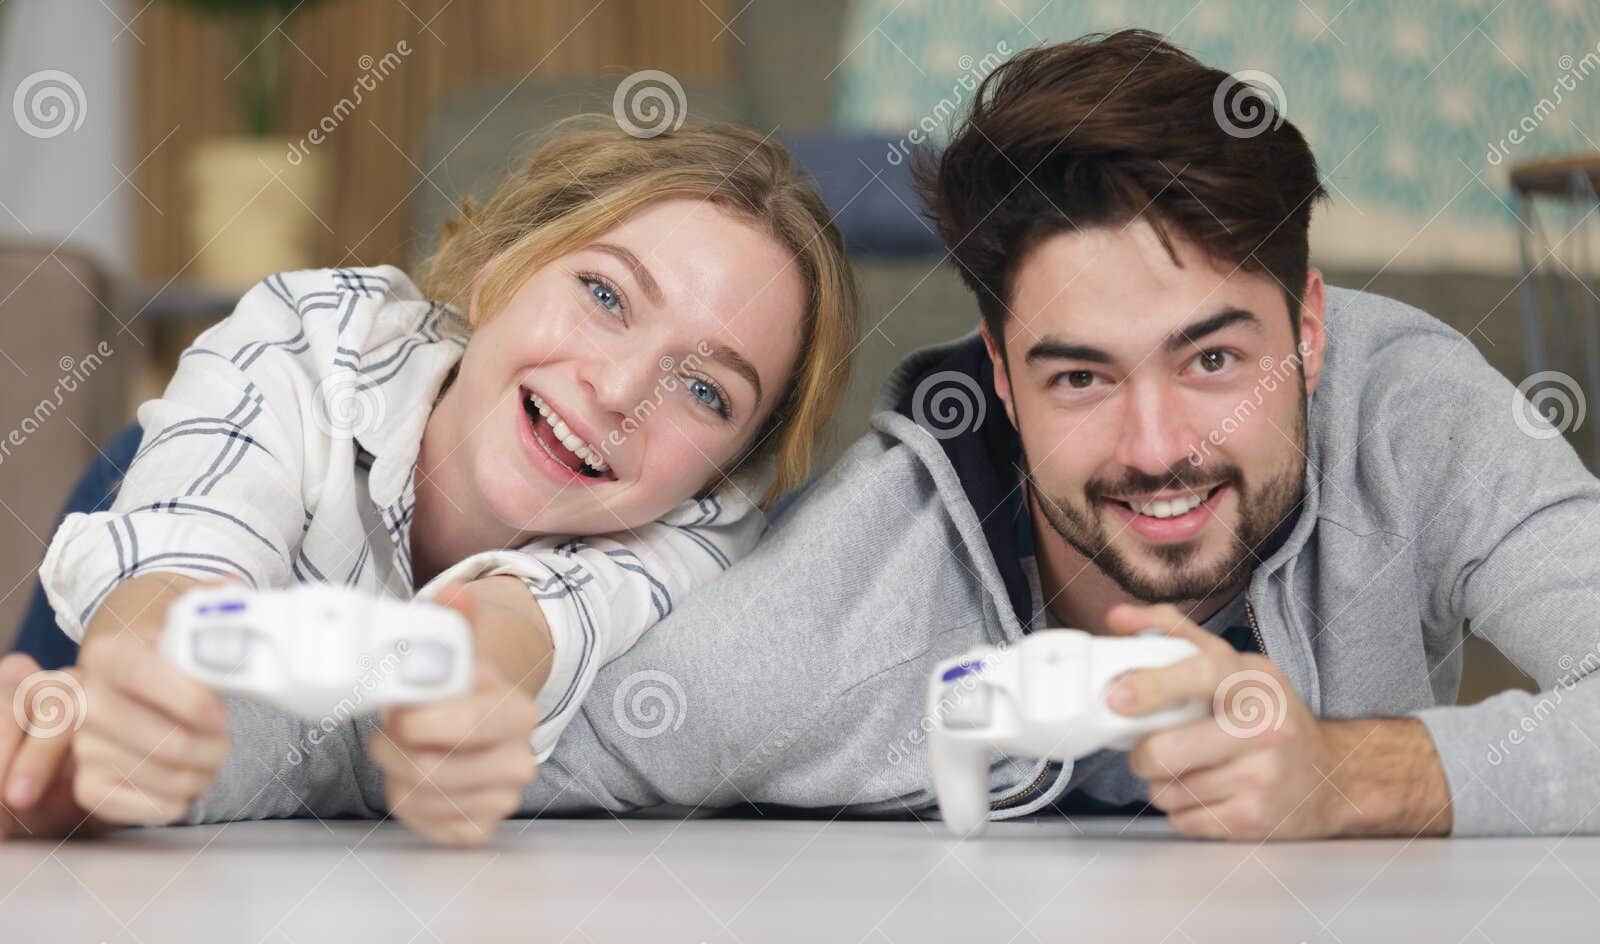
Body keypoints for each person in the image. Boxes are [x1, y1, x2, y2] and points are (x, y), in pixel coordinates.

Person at [511, 29, 1600, 840]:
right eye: (1081, 375)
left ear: (1309, 331)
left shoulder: (1411, 411)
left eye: (1212, 360)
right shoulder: (828, 606)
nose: (1156, 446)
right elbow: (486, 758)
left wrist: (1353, 774)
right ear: (1000, 372)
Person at [0, 117, 858, 846]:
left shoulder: (710, 528)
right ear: (498, 271)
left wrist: (474, 688)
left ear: (727, 472)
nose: (621, 393)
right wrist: (134, 675)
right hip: (137, 523)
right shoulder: (315, 337)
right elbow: (187, 553)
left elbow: (540, 618)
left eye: (705, 391)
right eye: (605, 294)